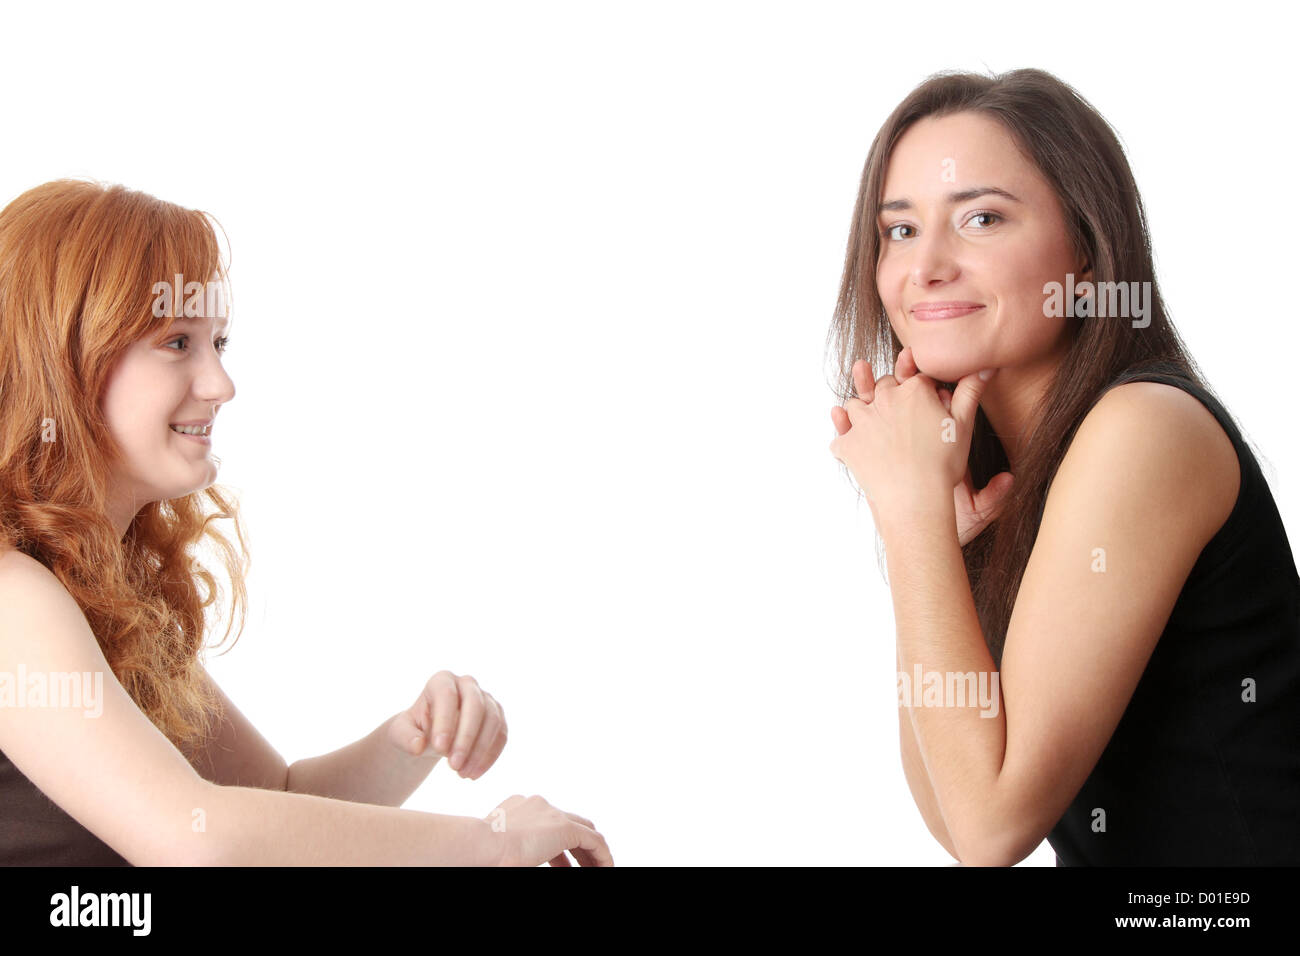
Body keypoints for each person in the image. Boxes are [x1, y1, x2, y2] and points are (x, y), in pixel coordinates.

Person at [0, 179, 612, 866]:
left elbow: (277, 796)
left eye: (217, 343)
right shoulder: (10, 595)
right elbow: (197, 839)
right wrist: (487, 845)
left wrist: (409, 739)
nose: (220, 384)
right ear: (66, 365)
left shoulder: (108, 599)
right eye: (177, 343)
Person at [826, 68, 1300, 865]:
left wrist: (912, 524)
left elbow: (990, 830)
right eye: (900, 230)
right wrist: (931, 541)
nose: (927, 267)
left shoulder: (1144, 428)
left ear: (1084, 253)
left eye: (980, 218)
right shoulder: (1016, 471)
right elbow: (949, 810)